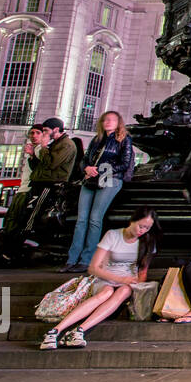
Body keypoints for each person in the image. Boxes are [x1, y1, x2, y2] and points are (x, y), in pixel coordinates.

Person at [39, 207, 159, 350]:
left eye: (147, 228)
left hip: (127, 284)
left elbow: (142, 272)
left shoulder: (147, 242)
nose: (142, 230)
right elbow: (94, 268)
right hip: (105, 278)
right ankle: (55, 331)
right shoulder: (113, 235)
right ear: (132, 221)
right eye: (141, 225)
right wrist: (120, 279)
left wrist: (133, 283)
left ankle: (79, 330)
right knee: (106, 292)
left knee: (124, 291)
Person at [63, 111, 136, 273]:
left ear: (119, 123)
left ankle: (87, 259)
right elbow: (84, 159)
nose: (108, 122)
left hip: (110, 179)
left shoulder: (124, 140)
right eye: (106, 120)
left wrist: (104, 170)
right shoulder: (97, 140)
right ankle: (71, 259)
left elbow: (125, 163)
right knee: (81, 220)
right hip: (90, 179)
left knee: (95, 219)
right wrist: (87, 168)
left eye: (112, 120)